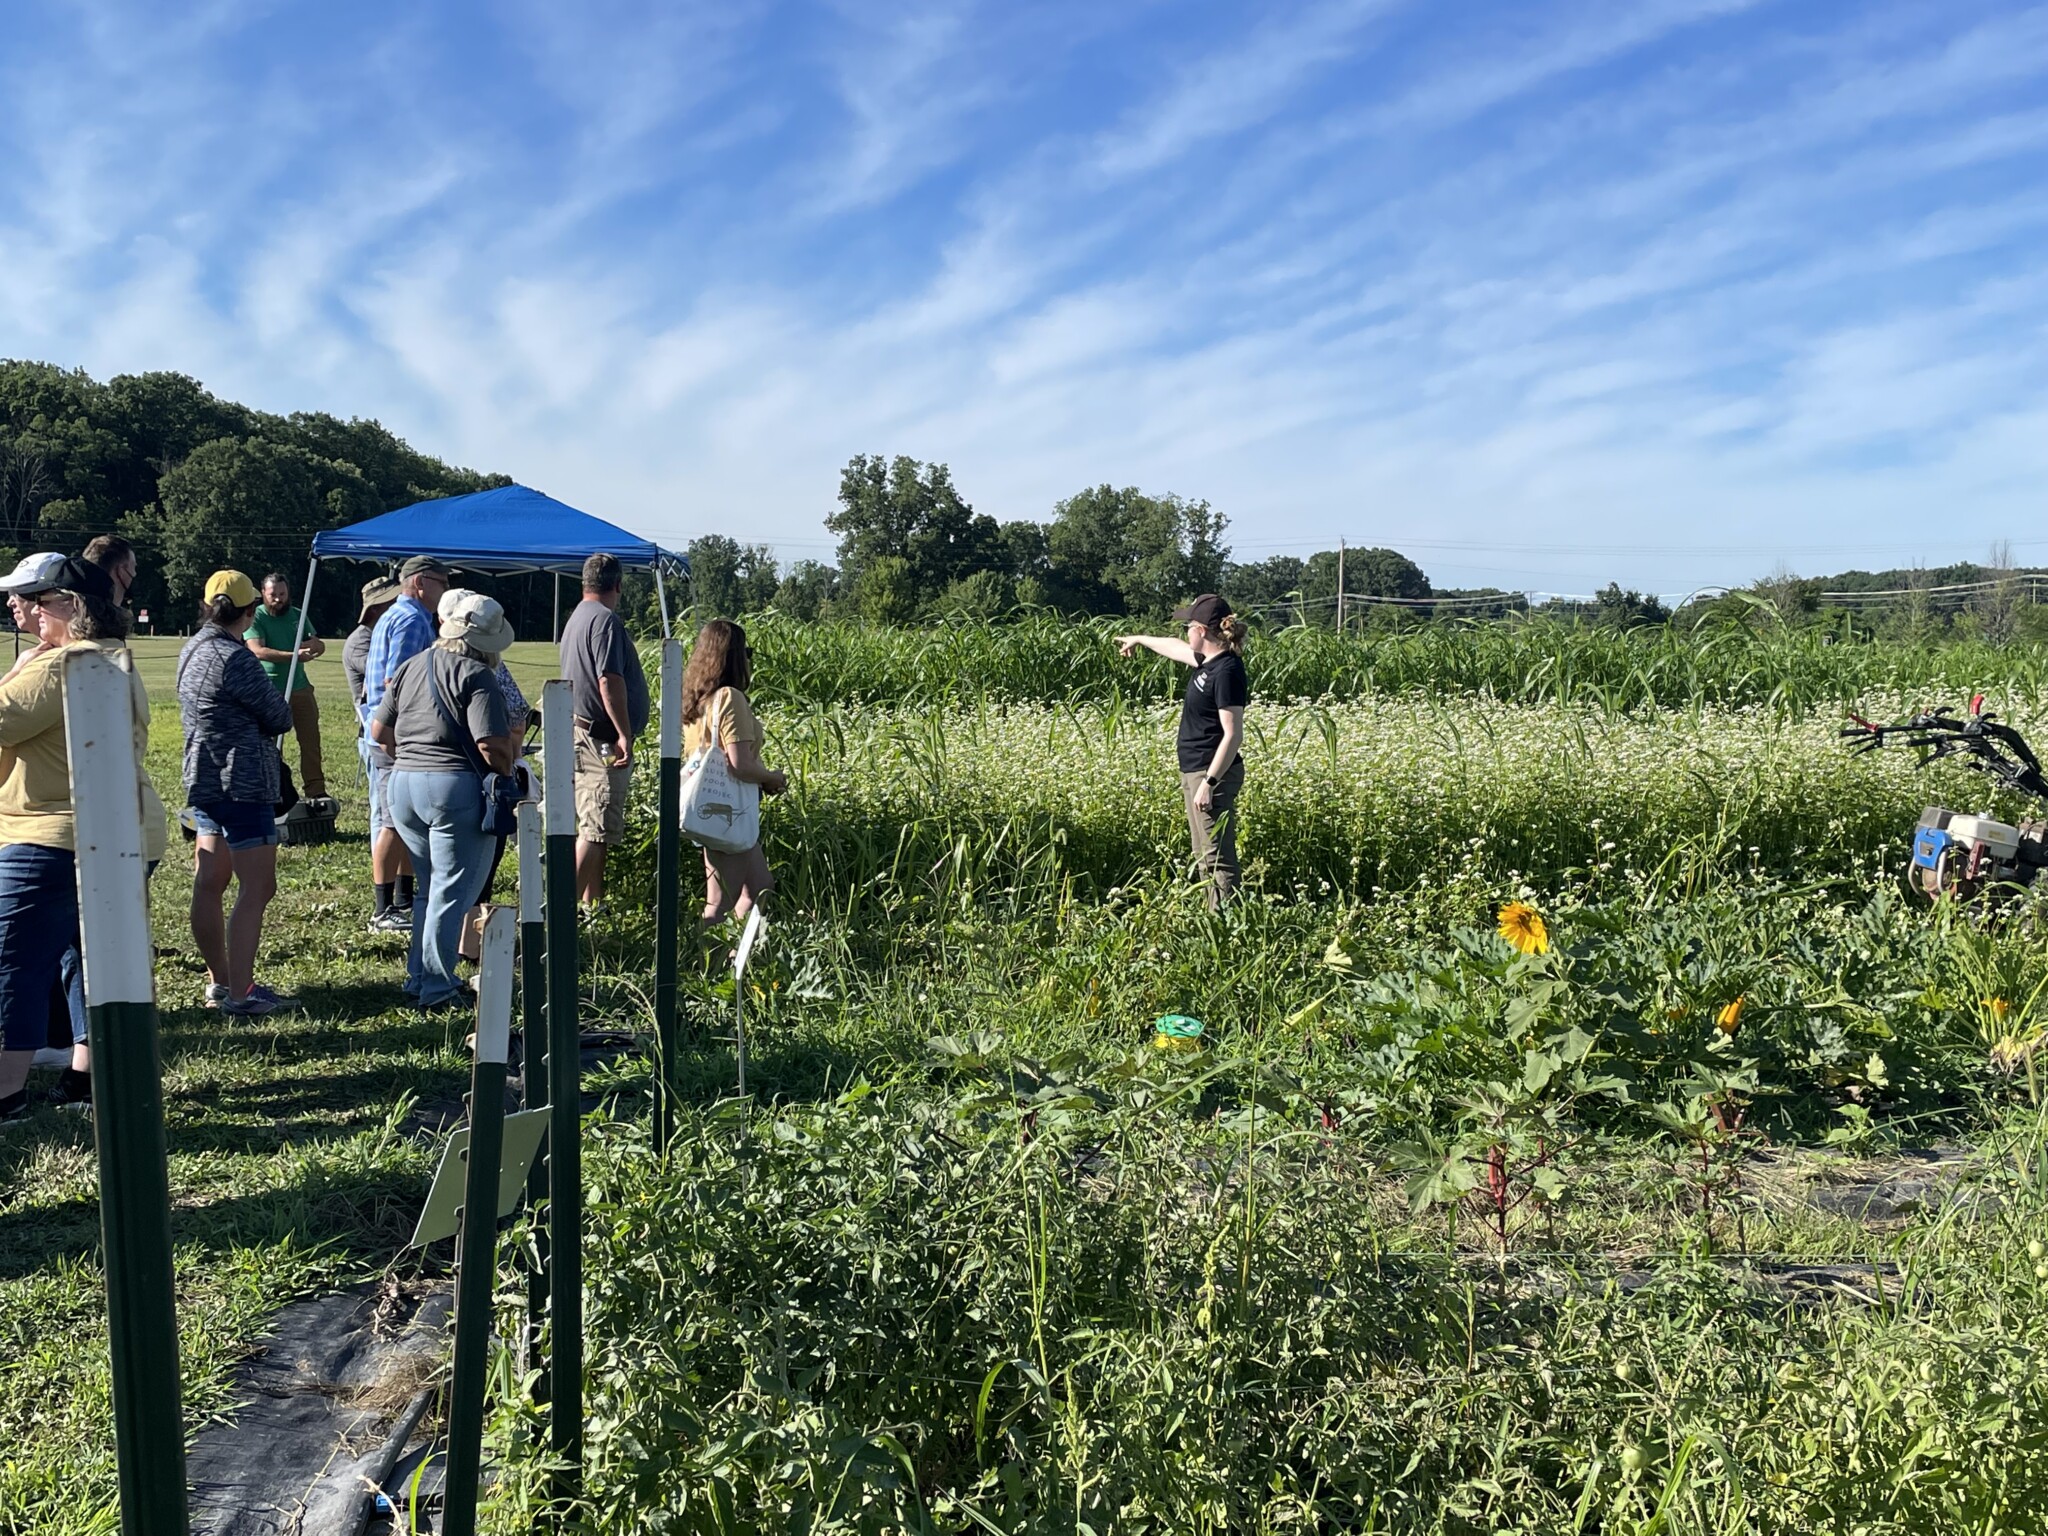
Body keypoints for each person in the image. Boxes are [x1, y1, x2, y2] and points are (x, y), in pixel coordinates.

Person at [0, 560, 163, 1119]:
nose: (27, 612)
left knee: (13, 960)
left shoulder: (60, 665)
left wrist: (15, 670)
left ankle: (6, 1094)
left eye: (39, 601)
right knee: (89, 962)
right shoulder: (110, 657)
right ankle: (89, 1082)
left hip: (50, 837)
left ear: (72, 605)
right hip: (113, 833)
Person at [368, 591, 514, 1011]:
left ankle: (419, 977)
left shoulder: (413, 665)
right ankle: (437, 986)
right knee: (452, 891)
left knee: (427, 890)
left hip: (403, 785)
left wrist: (413, 758)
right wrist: (508, 775)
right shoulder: (476, 676)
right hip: (453, 787)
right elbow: (491, 746)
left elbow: (379, 731)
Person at [179, 570, 295, 1016]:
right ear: (250, 612)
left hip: (203, 779)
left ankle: (220, 980)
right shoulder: (236, 657)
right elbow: (279, 716)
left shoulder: (191, 649)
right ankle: (242, 993)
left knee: (210, 881)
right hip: (242, 783)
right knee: (258, 885)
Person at [1118, 593, 1250, 909]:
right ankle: (1213, 919)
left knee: (1217, 857)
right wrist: (1138, 638)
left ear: (1202, 630)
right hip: (1196, 770)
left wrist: (1210, 783)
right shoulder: (1207, 662)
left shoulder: (1227, 671)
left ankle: (1227, 927)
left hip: (1211, 774)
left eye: (1188, 625)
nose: (1184, 632)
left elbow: (1232, 735)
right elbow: (1173, 648)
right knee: (1203, 853)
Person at [361, 557, 451, 930]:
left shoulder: (394, 616)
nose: (444, 590)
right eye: (440, 583)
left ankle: (400, 900)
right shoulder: (413, 620)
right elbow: (397, 682)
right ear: (418, 583)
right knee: (392, 823)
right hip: (393, 737)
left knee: (399, 820)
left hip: (381, 730)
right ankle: (383, 909)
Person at [681, 619, 787, 931]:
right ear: (734, 656)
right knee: (719, 902)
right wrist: (771, 777)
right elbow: (738, 762)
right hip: (729, 809)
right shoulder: (730, 697)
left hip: (713, 805)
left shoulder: (698, 701)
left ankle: (732, 960)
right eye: (747, 652)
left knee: (759, 887)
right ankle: (703, 968)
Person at [559, 552, 648, 909]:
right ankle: (558, 917)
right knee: (595, 830)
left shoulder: (578, 617)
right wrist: (623, 732)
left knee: (597, 827)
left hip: (584, 733)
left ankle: (591, 905)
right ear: (618, 585)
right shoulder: (606, 621)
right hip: (601, 740)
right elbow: (608, 680)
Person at [244, 571, 327, 800]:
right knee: (268, 745)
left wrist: (314, 646)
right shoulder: (257, 617)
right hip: (269, 690)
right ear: (263, 594)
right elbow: (257, 650)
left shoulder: (298, 615)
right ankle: (271, 790)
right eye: (273, 594)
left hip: (300, 688)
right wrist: (294, 656)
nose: (279, 599)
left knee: (310, 742)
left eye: (282, 593)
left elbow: (319, 645)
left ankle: (316, 790)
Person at [0, 553, 68, 681]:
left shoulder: (61, 659)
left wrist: (18, 673)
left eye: (20, 592)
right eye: (10, 592)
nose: (9, 602)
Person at [82, 535, 137, 605]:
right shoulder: (109, 614)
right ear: (121, 571)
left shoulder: (73, 610)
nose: (135, 574)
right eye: (133, 567)